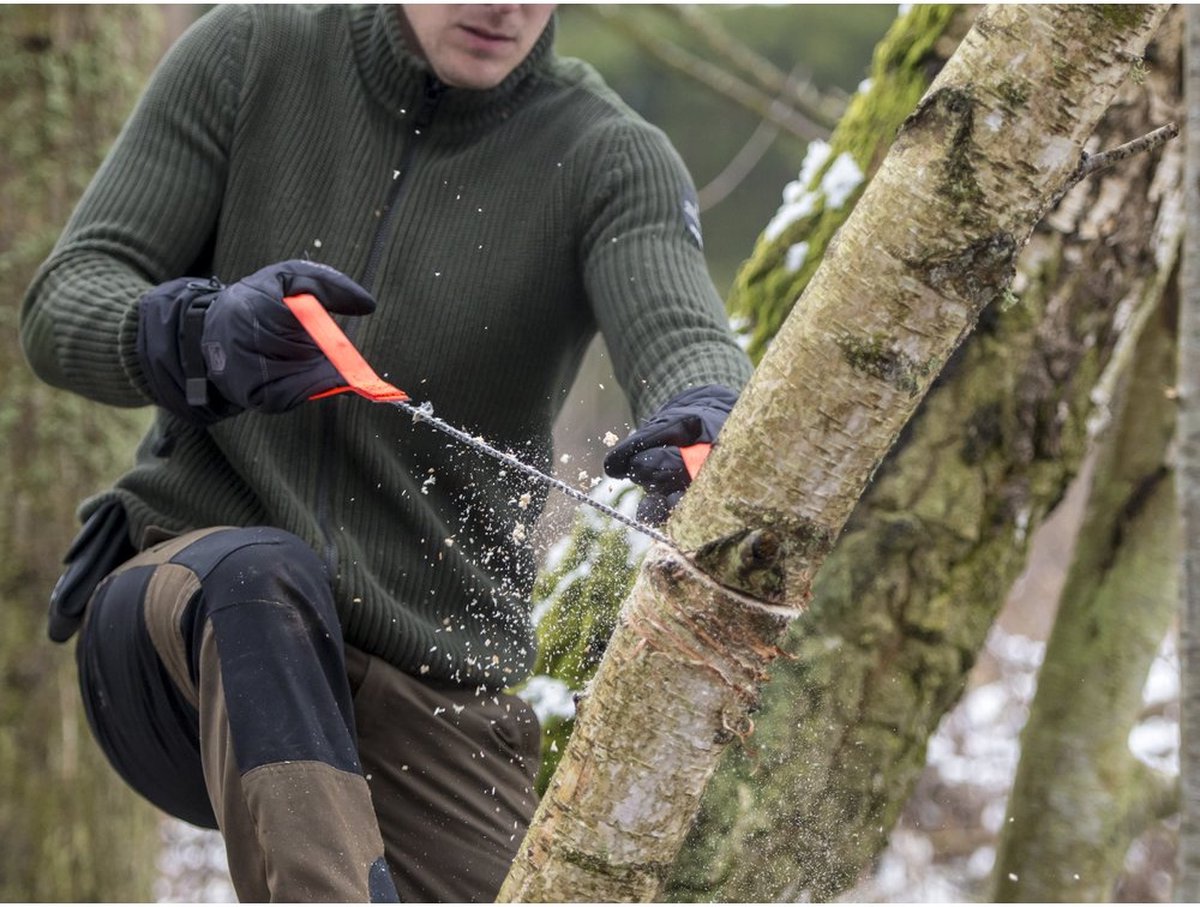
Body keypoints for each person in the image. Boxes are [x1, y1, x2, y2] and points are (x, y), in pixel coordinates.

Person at [20, 4, 753, 902]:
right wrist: (200, 333)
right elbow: (64, 302)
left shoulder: (609, 157)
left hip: (430, 683)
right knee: (259, 575)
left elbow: (686, 337)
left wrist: (712, 419)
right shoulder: (253, 52)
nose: (505, 7)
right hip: (180, 625)